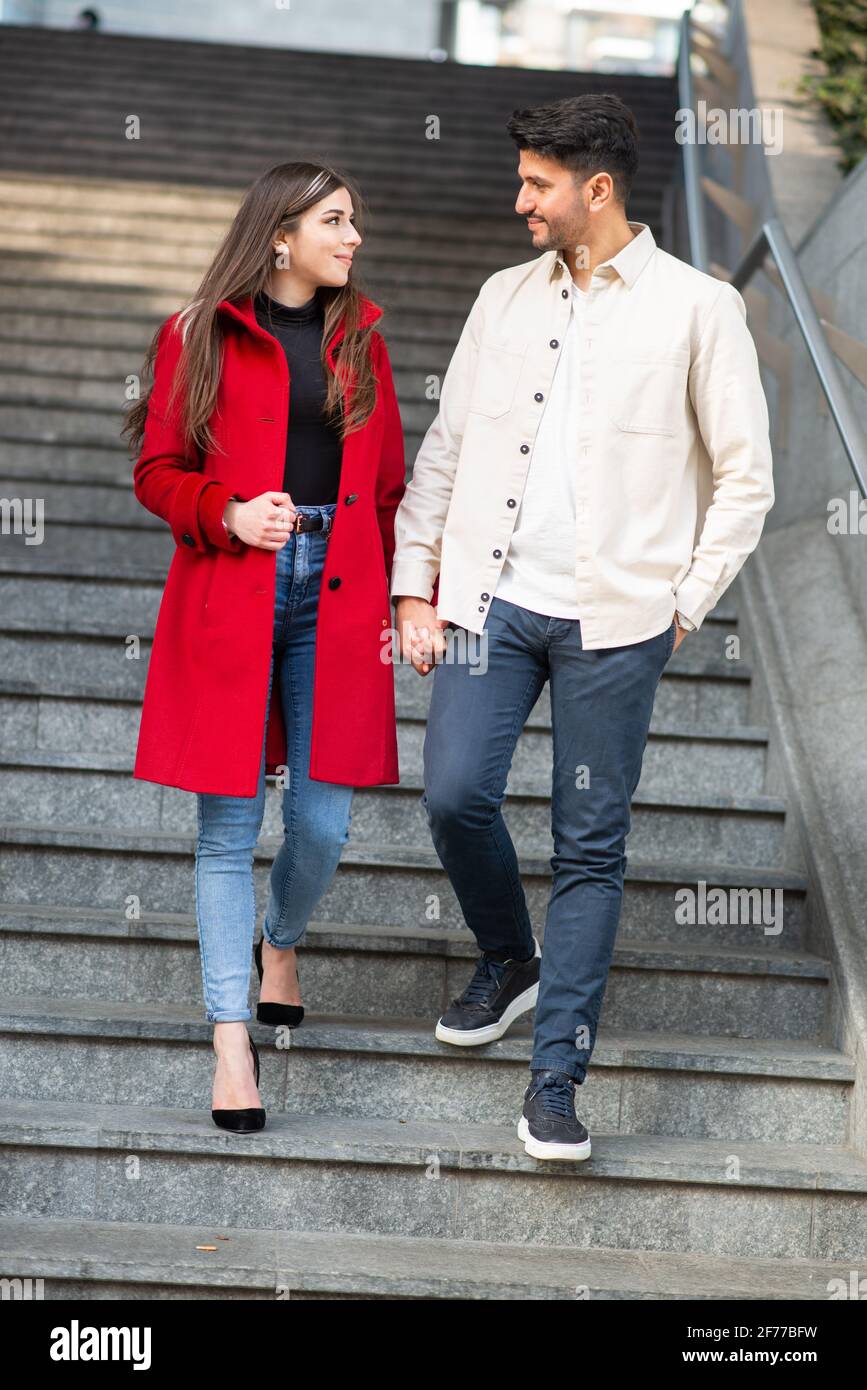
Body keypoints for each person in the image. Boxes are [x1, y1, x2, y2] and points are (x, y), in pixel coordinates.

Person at [391, 93, 774, 1161]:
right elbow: (447, 449)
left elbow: (748, 480)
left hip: (617, 621)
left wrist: (683, 602)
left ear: (595, 189)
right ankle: (509, 956)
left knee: (590, 847)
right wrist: (414, 586)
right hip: (491, 600)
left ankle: (555, 1076)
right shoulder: (502, 298)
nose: (520, 201)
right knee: (455, 790)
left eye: (537, 185)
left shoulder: (701, 309)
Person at [124, 161, 405, 1134]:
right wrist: (228, 511)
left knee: (323, 823)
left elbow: (393, 487)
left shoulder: (361, 340)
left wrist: (409, 597)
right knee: (228, 832)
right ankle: (232, 1041)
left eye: (355, 219)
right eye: (338, 219)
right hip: (231, 589)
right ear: (279, 235)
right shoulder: (195, 334)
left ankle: (278, 938)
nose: (354, 236)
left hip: (337, 590)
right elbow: (157, 472)